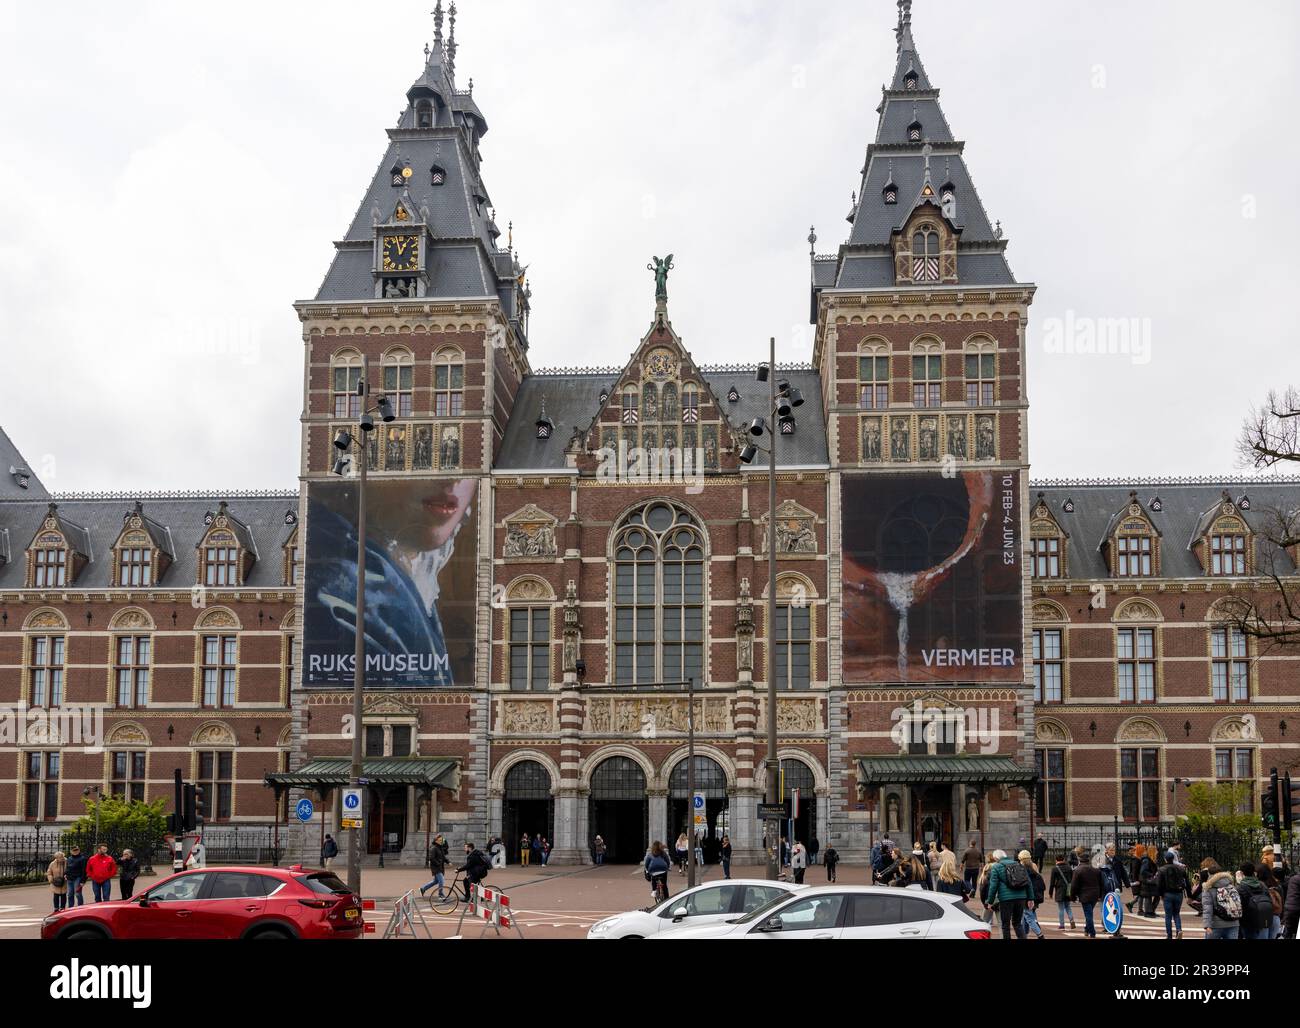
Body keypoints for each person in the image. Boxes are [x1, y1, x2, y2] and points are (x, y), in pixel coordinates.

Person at [985, 849, 1033, 939]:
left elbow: (993, 886)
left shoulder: (996, 867)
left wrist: (990, 901)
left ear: (996, 858)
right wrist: (1030, 898)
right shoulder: (1019, 864)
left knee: (1005, 925)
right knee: (1017, 923)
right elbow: (1028, 882)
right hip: (1021, 897)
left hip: (1006, 899)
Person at [1070, 847, 1106, 939]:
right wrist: (1100, 894)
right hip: (1095, 894)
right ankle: (1086, 929)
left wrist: (1073, 897)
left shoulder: (1078, 870)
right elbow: (1102, 883)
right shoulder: (1096, 869)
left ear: (1080, 860)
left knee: (1088, 914)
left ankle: (1092, 932)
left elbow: (1074, 885)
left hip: (1084, 895)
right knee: (1089, 912)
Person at [1201, 862, 1242, 940]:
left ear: (1209, 874)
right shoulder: (1231, 885)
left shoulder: (1208, 888)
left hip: (1216, 925)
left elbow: (1207, 908)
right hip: (1233, 923)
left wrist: (1207, 925)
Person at [1235, 862, 1273, 940]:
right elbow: (1269, 899)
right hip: (1263, 918)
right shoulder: (1262, 884)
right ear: (1254, 872)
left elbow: (1239, 906)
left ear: (1242, 873)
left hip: (1248, 921)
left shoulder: (1240, 887)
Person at [1020, 851, 1046, 939]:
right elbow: (1042, 885)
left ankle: (1040, 935)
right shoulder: (1034, 868)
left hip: (1027, 897)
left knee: (1028, 917)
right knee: (1026, 917)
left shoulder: (1022, 870)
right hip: (1036, 897)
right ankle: (1024, 935)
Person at [1049, 852, 1076, 930]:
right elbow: (1072, 879)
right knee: (1068, 907)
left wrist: (1050, 893)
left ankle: (1062, 925)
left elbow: (1052, 882)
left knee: (1061, 908)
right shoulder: (1068, 867)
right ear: (1063, 859)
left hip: (1060, 890)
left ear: (1056, 860)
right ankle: (1071, 920)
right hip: (1068, 890)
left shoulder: (1055, 869)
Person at [1257, 864, 1284, 940]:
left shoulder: (1258, 885)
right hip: (1276, 917)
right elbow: (1282, 902)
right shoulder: (1277, 885)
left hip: (1262, 918)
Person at [419, 833, 449, 899]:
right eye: (440, 840)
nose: (442, 841)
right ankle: (440, 894)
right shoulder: (433, 848)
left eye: (442, 840)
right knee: (441, 880)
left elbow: (443, 857)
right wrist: (438, 863)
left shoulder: (440, 847)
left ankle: (423, 889)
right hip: (436, 867)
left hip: (440, 867)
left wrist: (448, 862)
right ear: (436, 840)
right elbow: (431, 858)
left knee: (435, 881)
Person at [1136, 844, 1161, 918]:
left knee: (1156, 896)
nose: (1157, 852)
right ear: (1152, 851)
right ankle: (1148, 912)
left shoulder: (1150, 859)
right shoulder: (1146, 860)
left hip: (1150, 881)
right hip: (1147, 881)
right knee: (1148, 897)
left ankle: (1151, 911)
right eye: (1156, 850)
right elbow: (1143, 871)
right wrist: (1152, 874)